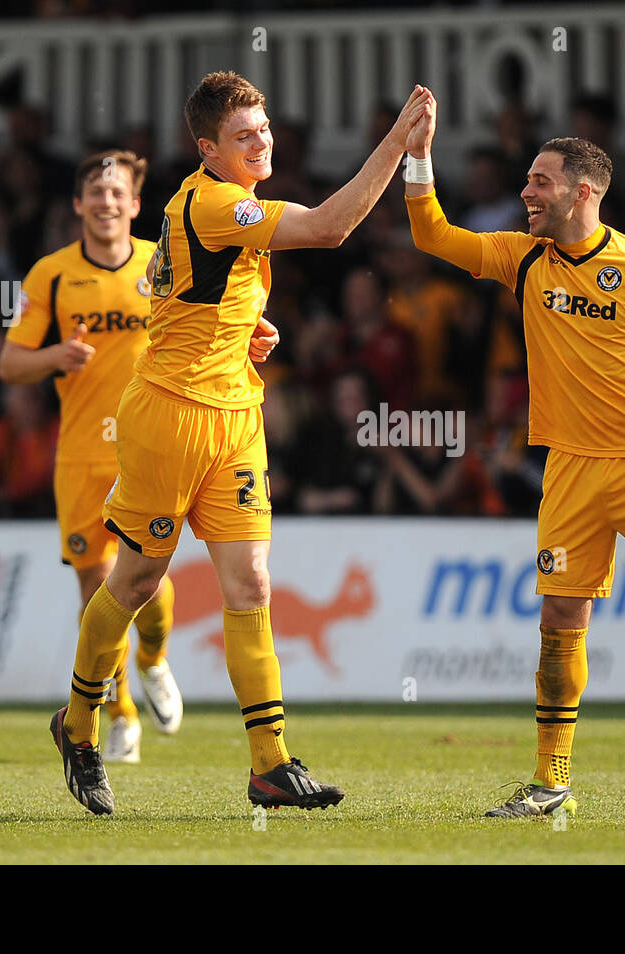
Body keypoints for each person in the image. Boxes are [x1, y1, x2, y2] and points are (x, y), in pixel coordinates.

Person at [49, 71, 432, 815]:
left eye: (265, 131)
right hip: (168, 418)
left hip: (235, 420)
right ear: (208, 149)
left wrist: (244, 331)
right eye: (245, 136)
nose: (263, 143)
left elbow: (184, 289)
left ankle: (270, 764)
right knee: (132, 583)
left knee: (252, 588)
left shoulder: (214, 206)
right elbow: (329, 228)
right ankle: (80, 726)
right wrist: (397, 140)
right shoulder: (217, 202)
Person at [402, 92, 625, 817]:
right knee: (560, 623)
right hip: (569, 469)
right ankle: (551, 783)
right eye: (528, 180)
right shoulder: (521, 259)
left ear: (584, 191)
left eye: (539, 181)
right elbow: (431, 235)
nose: (525, 192)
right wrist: (419, 155)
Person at [1, 151, 183, 766]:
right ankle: (121, 712)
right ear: (78, 205)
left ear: (135, 205)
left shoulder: (162, 264)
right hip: (80, 455)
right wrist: (56, 356)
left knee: (149, 582)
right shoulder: (51, 275)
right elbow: (9, 364)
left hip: (149, 445)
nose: (106, 202)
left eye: (118, 193)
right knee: (97, 587)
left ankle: (155, 659)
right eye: (95, 193)